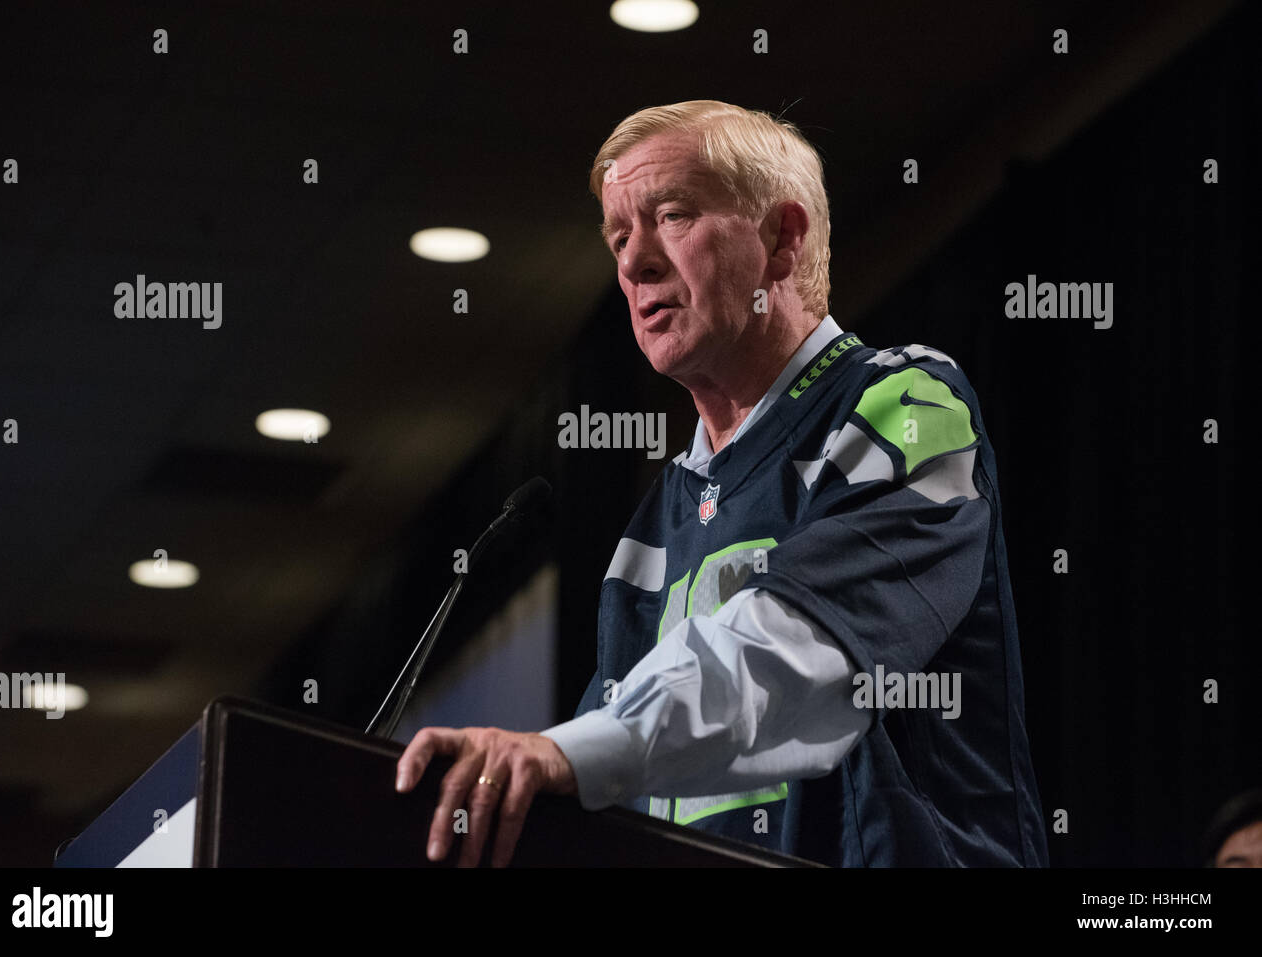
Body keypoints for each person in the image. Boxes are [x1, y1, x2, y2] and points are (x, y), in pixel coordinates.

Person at [396, 99, 1049, 867]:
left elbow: (792, 656)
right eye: (617, 236)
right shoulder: (654, 522)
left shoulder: (906, 405)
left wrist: (563, 755)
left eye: (671, 216)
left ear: (782, 238)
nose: (634, 262)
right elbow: (605, 789)